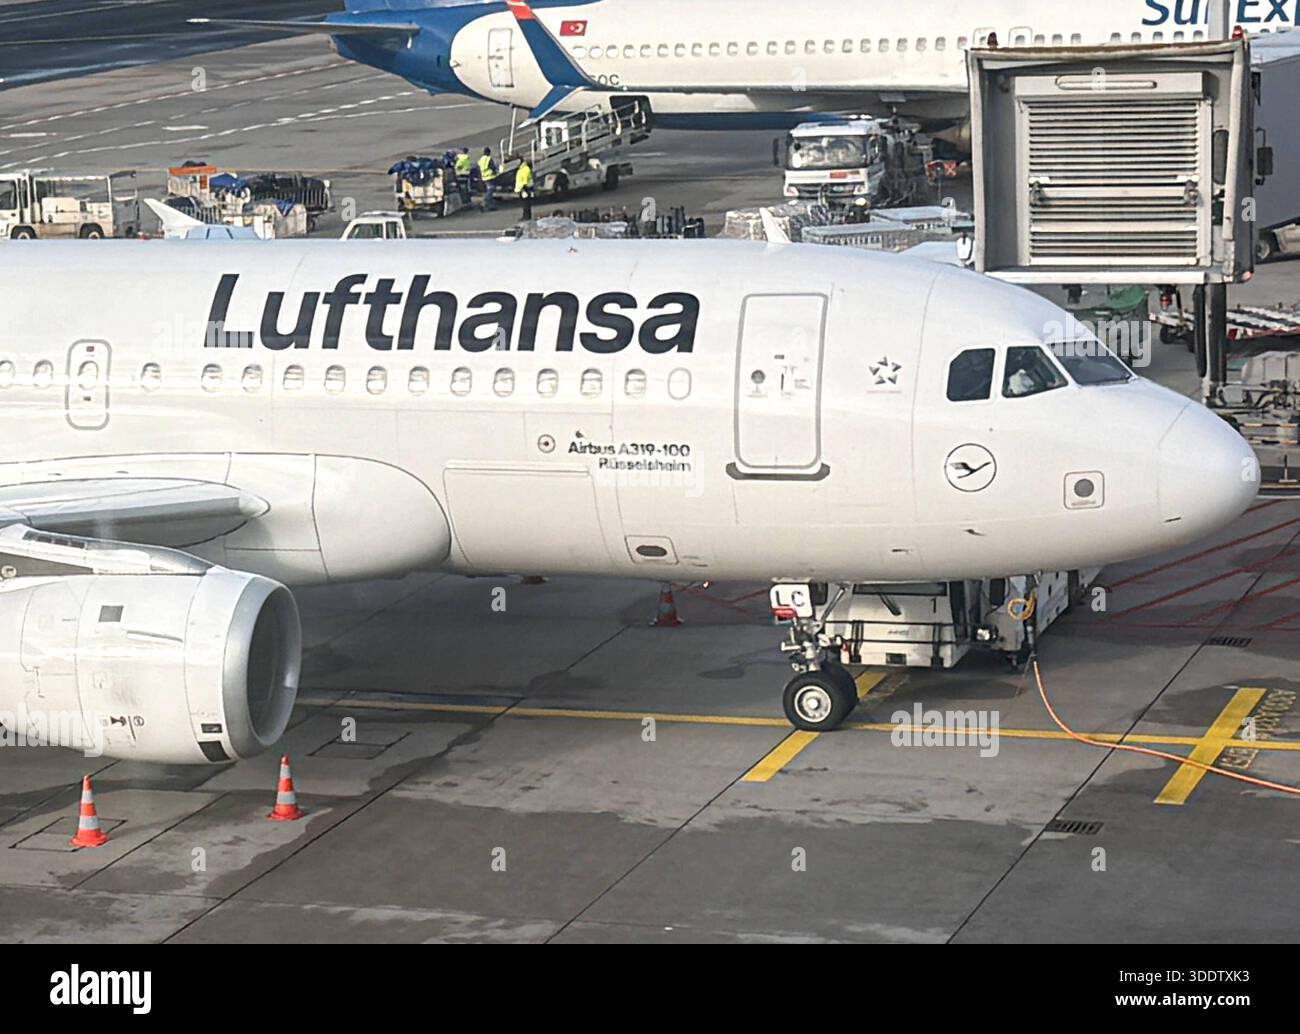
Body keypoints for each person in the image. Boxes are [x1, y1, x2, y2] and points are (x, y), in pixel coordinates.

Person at [515, 155, 536, 221]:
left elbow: (525, 180)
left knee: (526, 204)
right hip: (522, 189)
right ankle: (526, 216)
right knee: (525, 204)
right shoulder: (521, 168)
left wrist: (524, 190)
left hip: (525, 188)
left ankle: (526, 217)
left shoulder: (525, 169)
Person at [478, 147, 499, 211]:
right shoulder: (489, 159)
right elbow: (492, 167)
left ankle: (490, 206)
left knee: (489, 190)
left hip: (484, 176)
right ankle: (484, 202)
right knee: (490, 190)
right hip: (490, 176)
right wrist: (496, 171)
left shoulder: (481, 159)